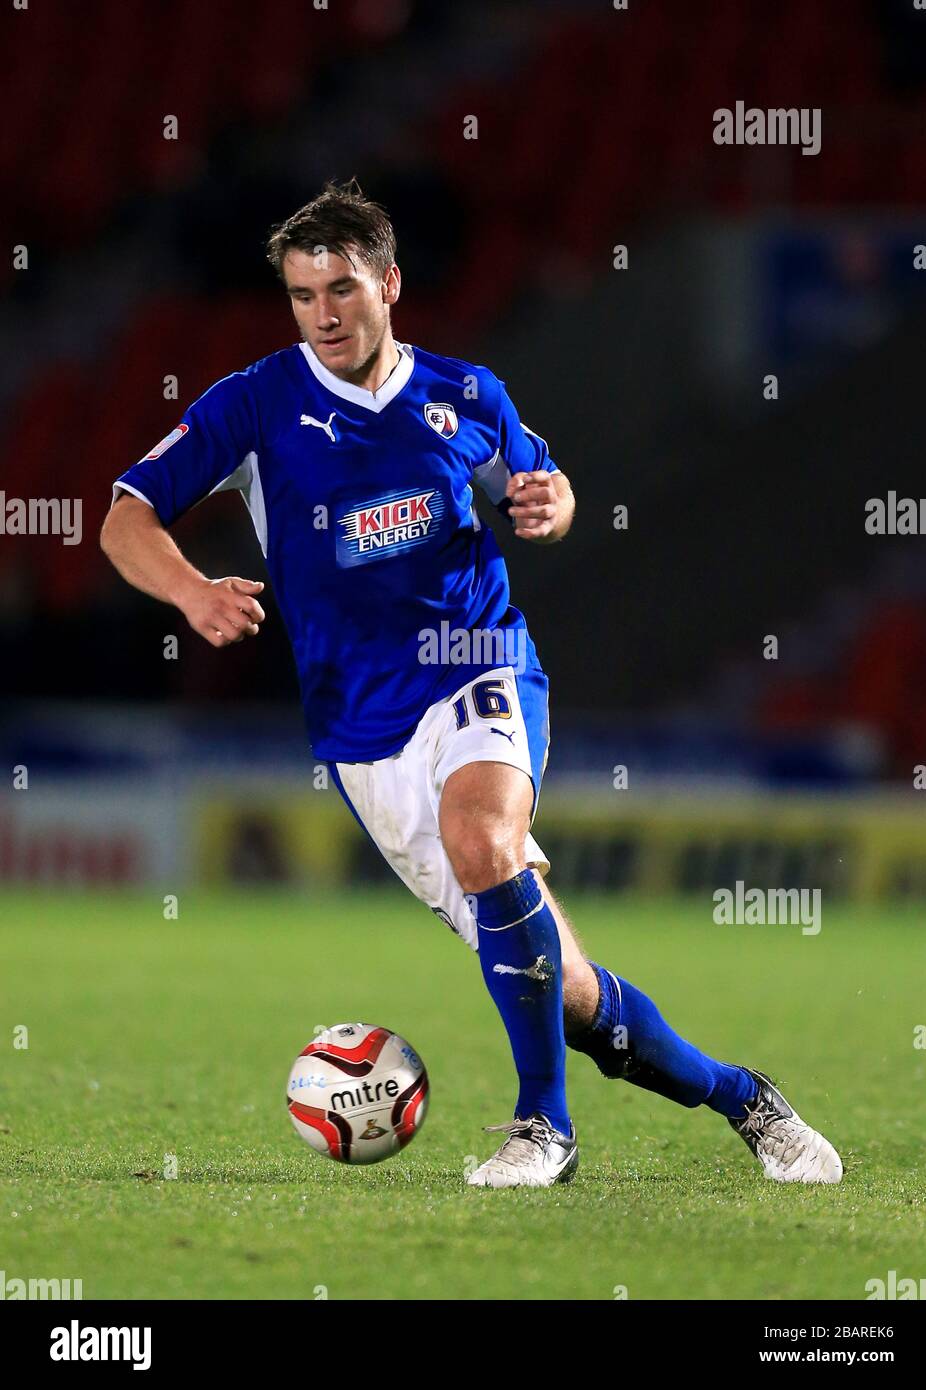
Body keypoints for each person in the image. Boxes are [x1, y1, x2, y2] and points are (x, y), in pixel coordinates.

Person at [101, 179, 842, 1188]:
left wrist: (550, 507)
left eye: (342, 289)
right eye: (303, 294)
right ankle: (744, 1097)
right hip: (363, 732)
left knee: (481, 836)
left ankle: (542, 1128)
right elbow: (125, 516)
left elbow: (542, 491)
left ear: (389, 285)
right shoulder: (256, 404)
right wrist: (191, 591)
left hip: (479, 665)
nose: (323, 314)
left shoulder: (467, 395)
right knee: (575, 1000)